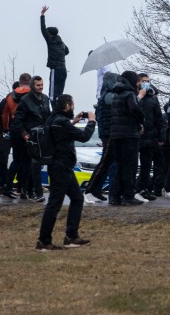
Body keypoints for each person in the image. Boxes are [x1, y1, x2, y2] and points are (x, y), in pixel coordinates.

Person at [36, 94, 95, 251]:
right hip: (61, 167)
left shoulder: (54, 119)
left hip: (60, 166)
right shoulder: (61, 122)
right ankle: (43, 241)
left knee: (76, 198)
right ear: (67, 106)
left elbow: (61, 134)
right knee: (54, 203)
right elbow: (84, 136)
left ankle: (71, 237)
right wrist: (92, 121)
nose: (74, 107)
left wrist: (72, 122)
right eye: (72, 104)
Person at [106, 71, 145, 206]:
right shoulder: (130, 94)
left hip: (116, 135)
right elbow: (135, 109)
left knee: (119, 165)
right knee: (130, 166)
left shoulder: (116, 95)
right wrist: (141, 121)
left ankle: (115, 196)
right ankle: (128, 195)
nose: (139, 83)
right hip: (129, 135)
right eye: (137, 81)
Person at [12, 76, 52, 201]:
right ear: (32, 86)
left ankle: (34, 190)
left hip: (43, 137)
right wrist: (23, 133)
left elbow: (48, 116)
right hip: (30, 137)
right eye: (38, 85)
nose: (41, 87)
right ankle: (26, 189)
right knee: (28, 165)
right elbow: (18, 119)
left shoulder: (45, 98)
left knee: (39, 164)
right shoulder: (25, 100)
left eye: (42, 84)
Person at [84, 71, 121, 203]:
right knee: (104, 163)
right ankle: (89, 190)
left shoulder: (105, 95)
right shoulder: (109, 96)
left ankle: (96, 190)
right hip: (109, 134)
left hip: (108, 133)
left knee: (107, 162)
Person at [137, 74, 166, 200]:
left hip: (150, 137)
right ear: (138, 82)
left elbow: (159, 119)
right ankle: (135, 189)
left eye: (148, 81)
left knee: (146, 165)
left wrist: (161, 137)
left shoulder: (153, 98)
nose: (146, 83)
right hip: (136, 136)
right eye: (144, 81)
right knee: (133, 166)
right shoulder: (134, 96)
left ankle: (144, 189)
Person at [40, 6, 70, 106]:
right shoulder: (60, 41)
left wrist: (42, 15)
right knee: (59, 94)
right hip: (63, 70)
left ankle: (54, 113)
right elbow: (67, 51)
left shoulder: (51, 41)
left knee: (52, 94)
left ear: (50, 34)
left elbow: (43, 30)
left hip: (55, 70)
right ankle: (60, 110)